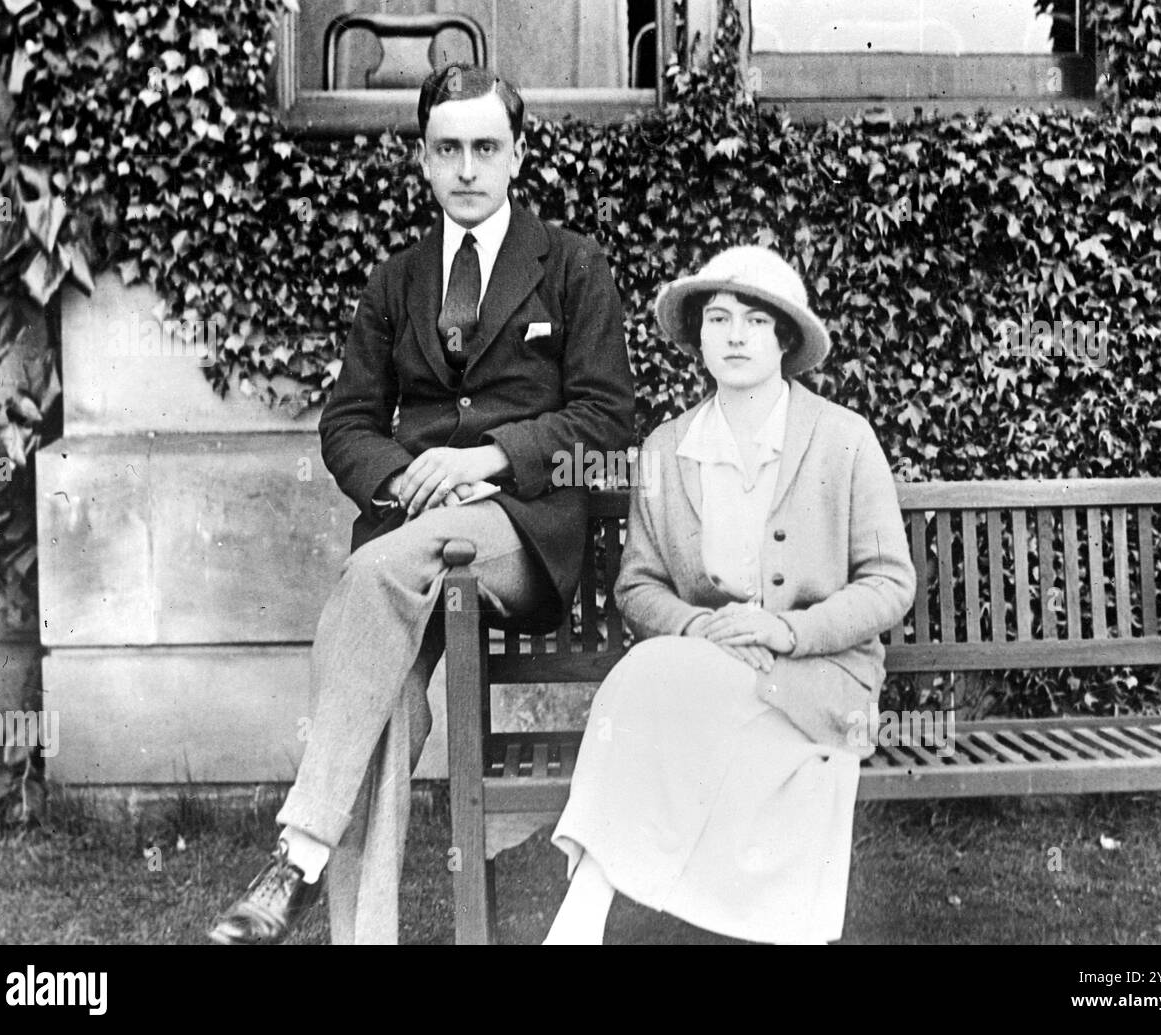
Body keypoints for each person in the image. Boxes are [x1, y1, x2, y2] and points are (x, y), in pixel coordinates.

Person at [209, 64, 635, 945]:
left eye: (486, 147)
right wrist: (408, 479)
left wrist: (486, 461)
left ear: (517, 154)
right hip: (410, 544)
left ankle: (296, 852)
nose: (468, 167)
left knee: (374, 572)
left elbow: (606, 422)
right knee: (389, 694)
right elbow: (348, 424)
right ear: (424, 161)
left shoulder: (574, 266)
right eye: (450, 150)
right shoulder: (398, 279)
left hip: (523, 534)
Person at [545, 245, 917, 945]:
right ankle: (587, 909)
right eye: (718, 319)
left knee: (646, 676)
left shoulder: (844, 439)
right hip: (704, 670)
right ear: (700, 340)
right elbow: (638, 582)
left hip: (820, 679)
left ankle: (585, 905)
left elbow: (891, 582)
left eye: (754, 319)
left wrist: (788, 632)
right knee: (658, 671)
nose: (737, 335)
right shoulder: (667, 449)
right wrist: (695, 626)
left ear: (784, 337)